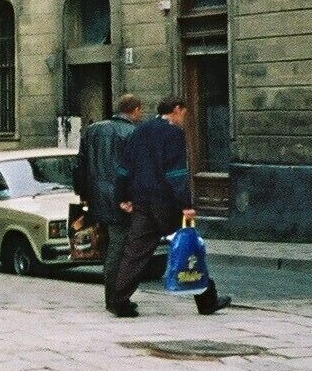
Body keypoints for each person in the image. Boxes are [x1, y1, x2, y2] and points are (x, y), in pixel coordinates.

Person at [110, 96, 229, 318]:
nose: (184, 118)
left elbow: (124, 168)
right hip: (166, 203)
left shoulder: (140, 130)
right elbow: (176, 172)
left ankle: (119, 301)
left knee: (135, 253)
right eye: (184, 113)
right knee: (190, 247)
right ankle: (207, 300)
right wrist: (186, 204)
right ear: (176, 110)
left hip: (142, 202)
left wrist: (123, 196)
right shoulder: (173, 133)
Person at [73, 94, 142, 300]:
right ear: (135, 110)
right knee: (118, 249)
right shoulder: (133, 133)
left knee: (109, 246)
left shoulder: (93, 130)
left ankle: (115, 295)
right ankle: (115, 298)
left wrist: (83, 195)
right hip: (121, 201)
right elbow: (135, 170)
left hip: (96, 199)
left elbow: (79, 166)